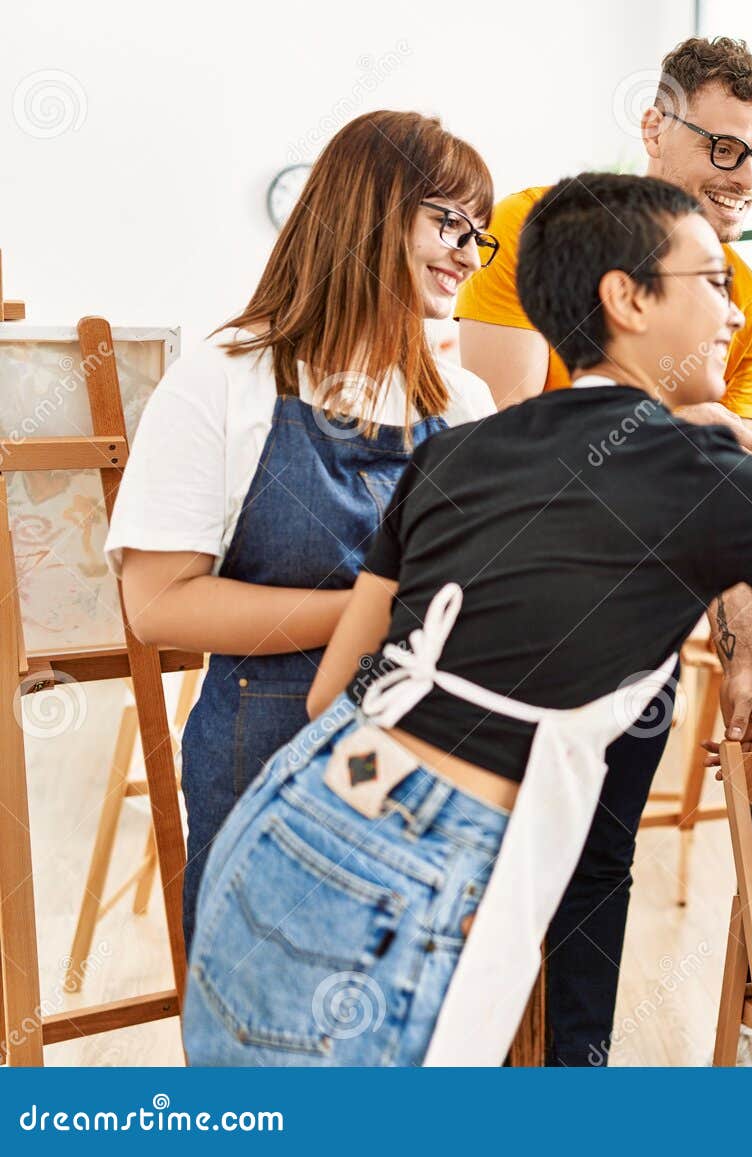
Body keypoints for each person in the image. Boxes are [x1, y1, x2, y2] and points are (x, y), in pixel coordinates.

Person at [180, 173, 752, 1068]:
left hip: (295, 816)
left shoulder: (458, 447)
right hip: (409, 881)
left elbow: (333, 688)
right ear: (625, 298)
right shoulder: (698, 478)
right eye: (711, 280)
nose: (736, 312)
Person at [455, 37, 752, 1067]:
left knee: (601, 868)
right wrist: (667, 433)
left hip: (636, 638)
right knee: (483, 875)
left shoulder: (745, 307)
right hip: (498, 624)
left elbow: (727, 502)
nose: (739, 179)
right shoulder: (529, 227)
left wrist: (740, 649)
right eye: (720, 147)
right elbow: (503, 431)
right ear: (654, 127)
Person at [105, 110, 498, 944]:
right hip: (261, 755)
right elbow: (158, 604)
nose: (470, 251)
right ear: (367, 211)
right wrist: (374, 612)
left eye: (480, 233)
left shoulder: (462, 403)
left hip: (431, 762)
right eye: (449, 221)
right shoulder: (221, 381)